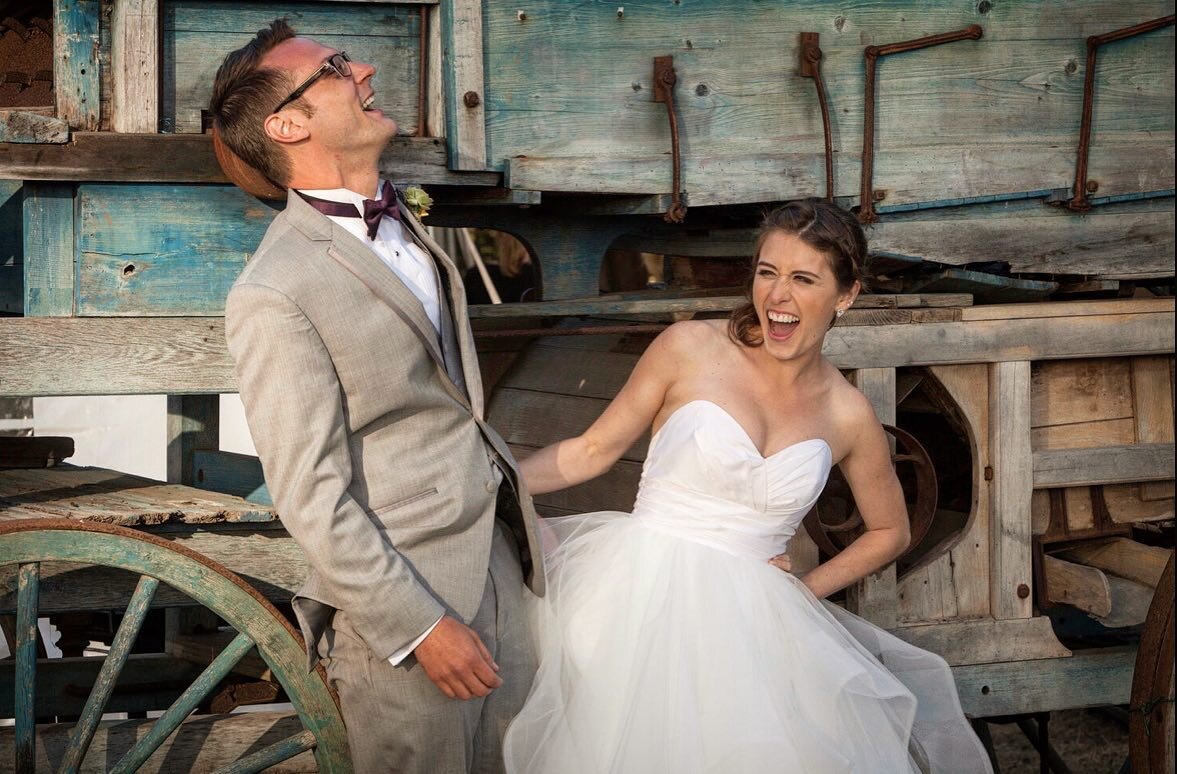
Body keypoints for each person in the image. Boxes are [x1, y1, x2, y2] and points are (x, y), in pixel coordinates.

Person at [502, 200, 993, 773]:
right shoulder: (689, 348)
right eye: (768, 272)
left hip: (756, 628)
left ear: (846, 295)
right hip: (639, 598)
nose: (778, 297)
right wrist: (489, 483)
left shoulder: (848, 413)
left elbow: (890, 530)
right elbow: (591, 451)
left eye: (803, 279)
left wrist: (805, 591)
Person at [208, 20, 544, 773]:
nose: (362, 69)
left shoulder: (409, 230)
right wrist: (419, 627)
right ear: (287, 124)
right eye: (331, 67)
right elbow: (310, 493)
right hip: (404, 609)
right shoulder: (274, 290)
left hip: (498, 565)